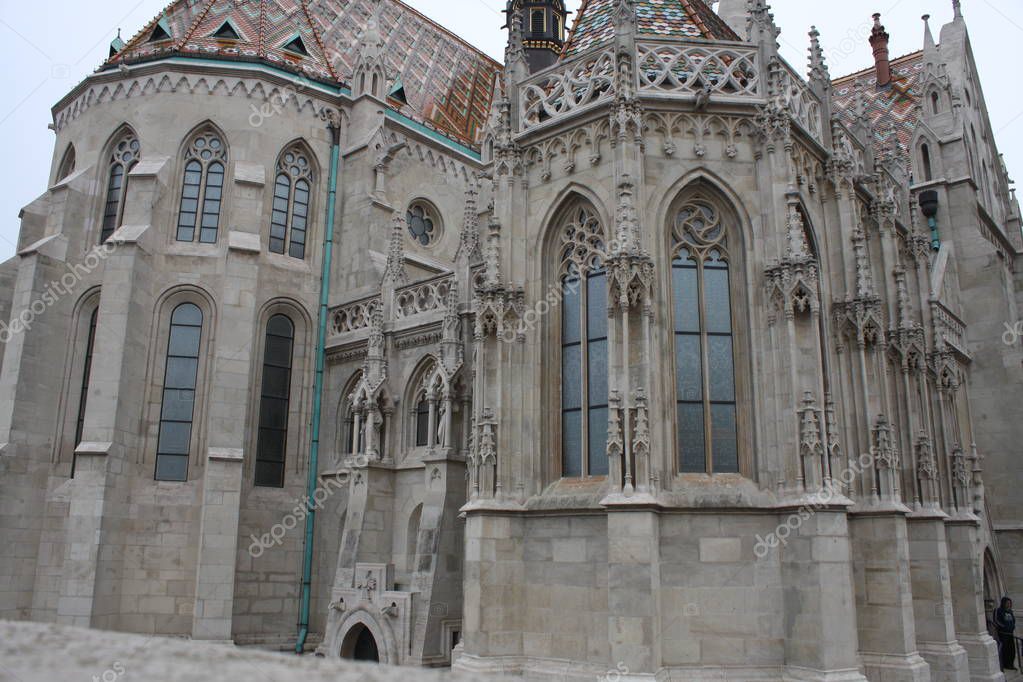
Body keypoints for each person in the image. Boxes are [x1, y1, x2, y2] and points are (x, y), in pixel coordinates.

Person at [995, 596, 1017, 671]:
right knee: (1005, 650)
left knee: (1012, 650)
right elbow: (996, 620)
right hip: (1003, 634)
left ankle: (1011, 664)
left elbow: (1013, 620)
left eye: (1010, 603)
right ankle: (1004, 664)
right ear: (1003, 603)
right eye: (1007, 603)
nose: (1009, 604)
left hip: (1010, 634)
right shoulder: (999, 610)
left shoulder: (1010, 611)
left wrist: (1012, 626)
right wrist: (1003, 627)